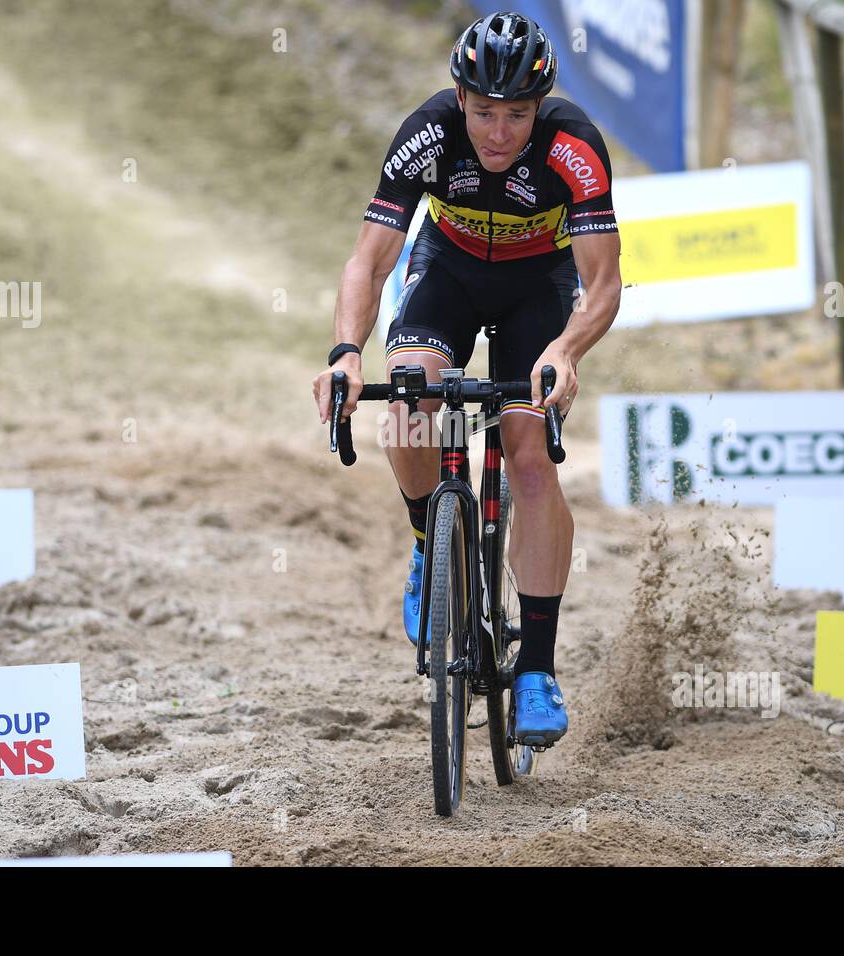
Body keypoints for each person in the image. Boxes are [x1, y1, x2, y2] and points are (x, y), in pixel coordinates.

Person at [312, 11, 621, 747]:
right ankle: (428, 543)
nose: (498, 132)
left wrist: (568, 350)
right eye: (483, 112)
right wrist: (346, 353)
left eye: (517, 115)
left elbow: (604, 283)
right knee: (413, 397)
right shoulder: (427, 132)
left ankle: (538, 670)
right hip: (445, 273)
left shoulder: (574, 145)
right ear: (459, 96)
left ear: (541, 105)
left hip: (536, 291)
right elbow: (370, 261)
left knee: (531, 457)